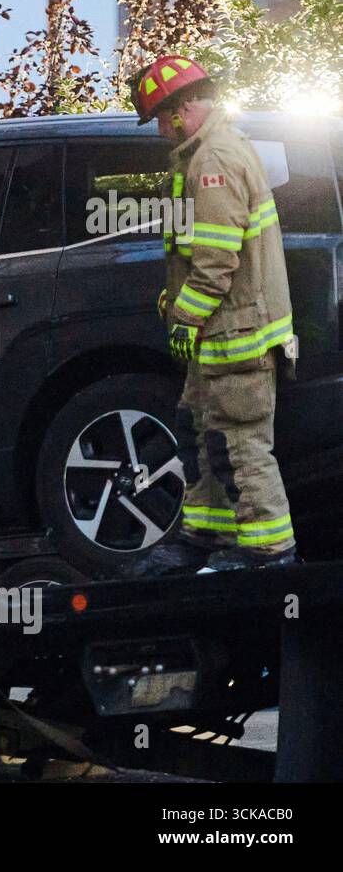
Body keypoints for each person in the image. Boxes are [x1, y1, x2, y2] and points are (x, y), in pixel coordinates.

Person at [127, 55, 298, 576]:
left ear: (184, 109)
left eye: (161, 116)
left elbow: (217, 260)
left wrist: (184, 318)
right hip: (218, 338)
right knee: (203, 435)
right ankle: (205, 536)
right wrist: (177, 306)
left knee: (240, 445)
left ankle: (270, 553)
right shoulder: (203, 154)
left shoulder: (214, 161)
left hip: (236, 336)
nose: (159, 129)